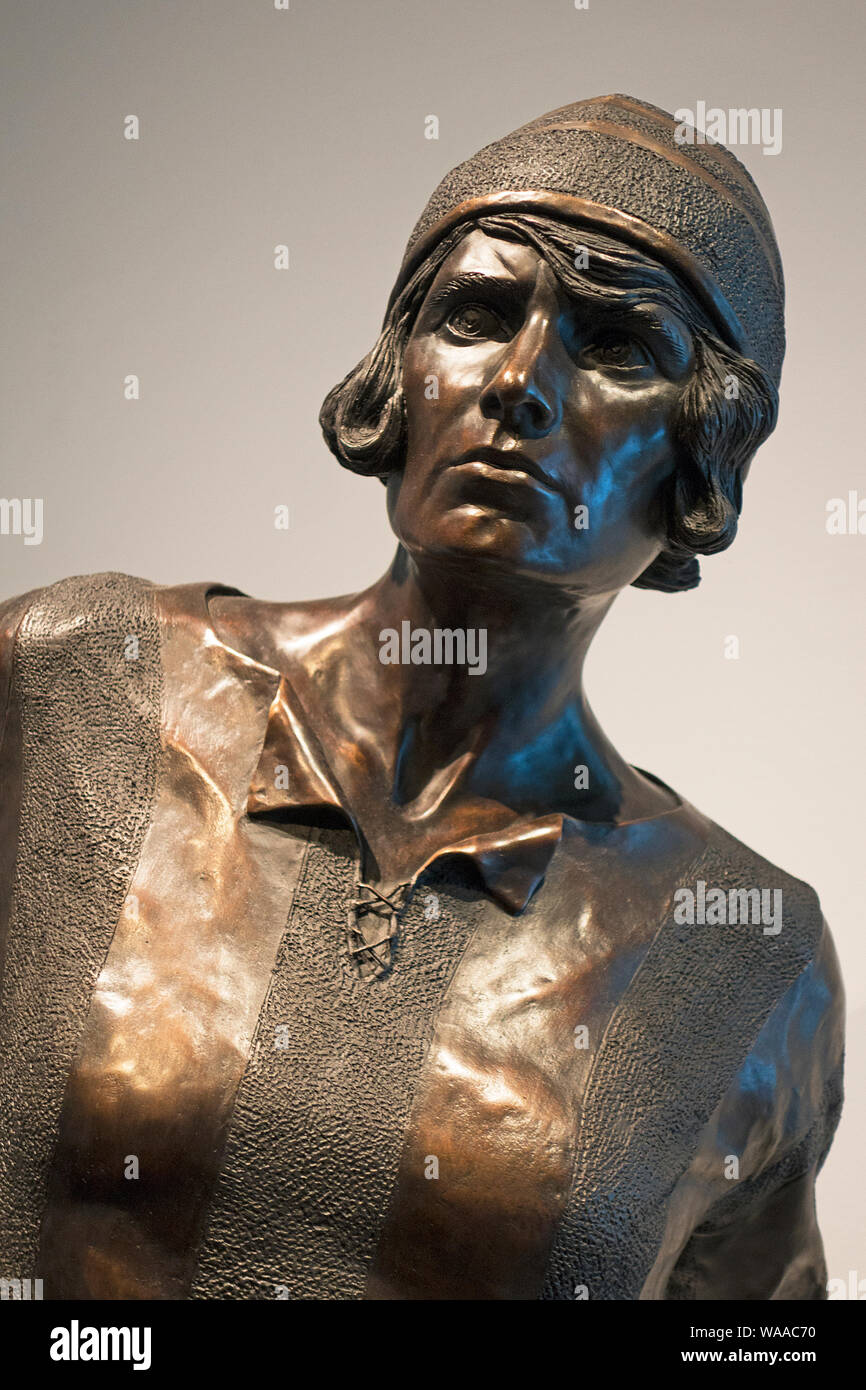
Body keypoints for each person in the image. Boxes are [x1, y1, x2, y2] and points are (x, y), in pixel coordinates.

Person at [0, 94, 844, 1300]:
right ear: (394, 380)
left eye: (615, 344)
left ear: (701, 460)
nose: (519, 382)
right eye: (477, 314)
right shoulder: (82, 688)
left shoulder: (738, 957)